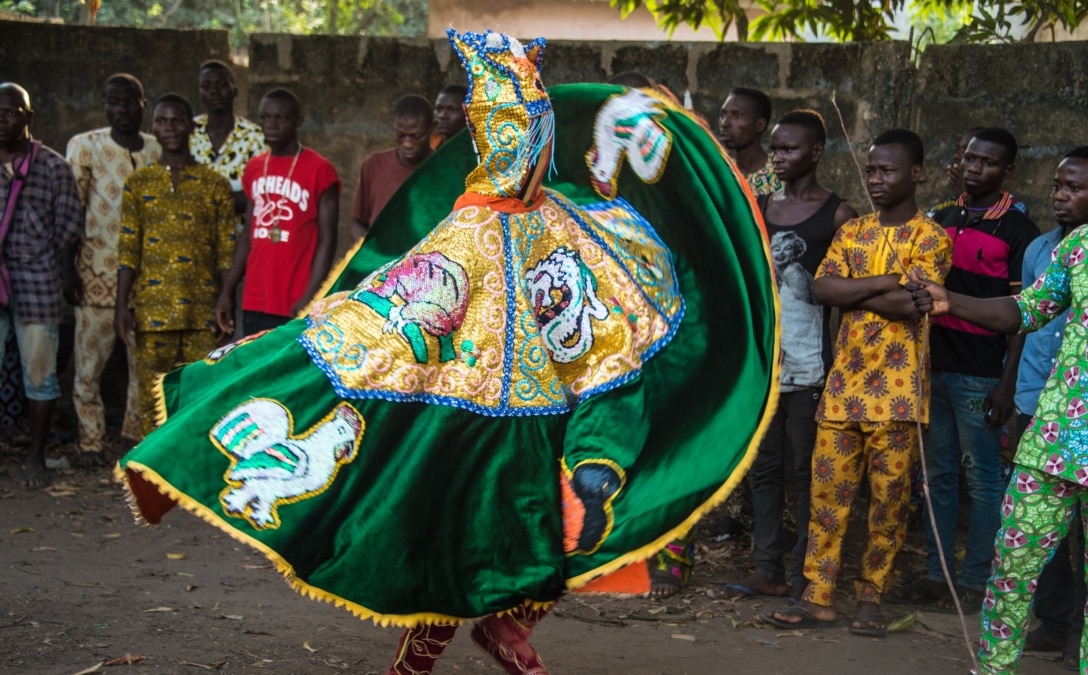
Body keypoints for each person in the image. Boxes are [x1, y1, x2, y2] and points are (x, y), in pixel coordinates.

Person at [116, 29, 777, 675]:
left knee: (539, 527)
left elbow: (611, 354)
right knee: (455, 520)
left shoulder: (574, 222)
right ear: (496, 136)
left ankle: (502, 626)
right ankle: (437, 650)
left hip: (538, 410)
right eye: (518, 131)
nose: (533, 150)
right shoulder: (470, 228)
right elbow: (384, 321)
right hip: (460, 404)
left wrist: (598, 461)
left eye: (535, 130)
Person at [908, 131, 1088, 675]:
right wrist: (951, 300)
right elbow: (1025, 310)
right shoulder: (1086, 245)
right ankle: (993, 668)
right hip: (1053, 441)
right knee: (1013, 566)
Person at [761, 129, 952, 636]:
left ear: (916, 174)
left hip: (899, 394)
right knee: (827, 500)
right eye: (871, 170)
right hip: (843, 388)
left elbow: (914, 306)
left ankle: (871, 597)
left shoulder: (931, 236)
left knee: (888, 504)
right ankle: (818, 597)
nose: (876, 179)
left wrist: (857, 292)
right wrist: (890, 281)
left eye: (887, 170)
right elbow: (822, 288)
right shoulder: (854, 230)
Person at [718, 109, 857, 600]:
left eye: (789, 149)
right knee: (765, 468)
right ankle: (768, 567)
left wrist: (841, 362)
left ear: (816, 153)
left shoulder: (839, 215)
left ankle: (808, 572)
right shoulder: (757, 208)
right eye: (775, 148)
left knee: (810, 472)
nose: (778, 157)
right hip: (765, 367)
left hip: (813, 367)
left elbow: (847, 298)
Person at [901, 127, 1040, 610]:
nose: (975, 168)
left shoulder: (1021, 230)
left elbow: (1026, 313)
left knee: (984, 480)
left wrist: (1008, 382)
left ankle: (977, 580)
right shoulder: (941, 217)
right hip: (933, 366)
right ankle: (936, 576)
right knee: (937, 478)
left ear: (1008, 170)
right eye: (970, 159)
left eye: (988, 162)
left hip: (982, 374)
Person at [1017, 146, 1088, 670]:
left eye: (1075, 188)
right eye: (1058, 185)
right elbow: (1023, 319)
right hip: (1034, 400)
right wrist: (1009, 390)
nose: (1061, 196)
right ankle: (1052, 622)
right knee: (1040, 527)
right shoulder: (1039, 250)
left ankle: (1083, 632)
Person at [116, 93, 236, 439]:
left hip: (202, 314)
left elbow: (226, 251)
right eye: (162, 122)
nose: (169, 128)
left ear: (191, 126)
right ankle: (148, 477)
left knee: (200, 395)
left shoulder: (214, 184)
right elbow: (128, 249)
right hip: (152, 313)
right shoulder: (139, 184)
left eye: (177, 121)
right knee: (152, 401)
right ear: (153, 127)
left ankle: (191, 472)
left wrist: (226, 300)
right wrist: (121, 306)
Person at [64, 73, 161, 466]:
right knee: (88, 366)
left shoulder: (158, 149)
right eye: (113, 102)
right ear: (105, 106)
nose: (122, 109)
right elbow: (72, 211)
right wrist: (68, 269)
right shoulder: (85, 147)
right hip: (96, 275)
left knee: (143, 367)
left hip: (148, 280)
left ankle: (133, 440)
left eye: (129, 101)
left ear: (143, 104)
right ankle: (90, 442)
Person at [0, 83, 85, 488]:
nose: (3, 119)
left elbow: (69, 229)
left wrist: (67, 277)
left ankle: (35, 457)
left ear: (29, 117)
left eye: (11, 112)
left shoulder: (52, 166)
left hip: (38, 282)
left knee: (41, 374)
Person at [215, 88, 339, 336]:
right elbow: (248, 234)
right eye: (265, 118)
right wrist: (227, 290)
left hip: (297, 299)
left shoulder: (320, 170)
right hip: (255, 298)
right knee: (256, 369)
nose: (271, 125)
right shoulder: (254, 167)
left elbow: (328, 240)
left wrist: (312, 294)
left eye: (280, 119)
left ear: (298, 121)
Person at [349, 95, 433, 242]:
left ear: (432, 128)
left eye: (416, 136)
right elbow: (357, 222)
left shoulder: (442, 168)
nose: (407, 144)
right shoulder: (374, 165)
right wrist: (369, 253)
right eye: (400, 135)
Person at [190, 60, 266, 215]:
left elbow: (261, 196)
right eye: (206, 86)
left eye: (221, 85)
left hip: (240, 236)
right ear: (199, 93)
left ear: (235, 91)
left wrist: (204, 200)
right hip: (192, 235)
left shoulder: (256, 138)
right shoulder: (187, 131)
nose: (214, 91)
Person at [718, 87, 779, 195]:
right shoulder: (721, 172)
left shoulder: (779, 175)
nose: (724, 123)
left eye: (737, 115)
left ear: (760, 125)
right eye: (723, 115)